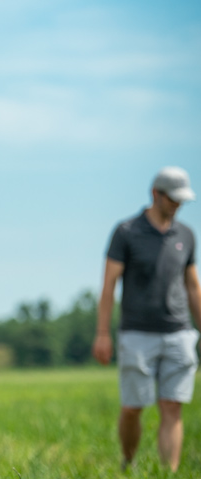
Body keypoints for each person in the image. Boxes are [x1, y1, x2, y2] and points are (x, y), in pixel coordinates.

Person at [93, 166, 200, 471]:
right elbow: (109, 285)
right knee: (132, 408)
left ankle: (169, 473)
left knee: (172, 406)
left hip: (179, 332)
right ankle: (128, 460)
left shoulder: (187, 235)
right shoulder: (126, 232)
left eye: (181, 201)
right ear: (156, 194)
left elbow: (193, 286)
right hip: (136, 333)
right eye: (173, 199)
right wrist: (103, 333)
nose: (177, 206)